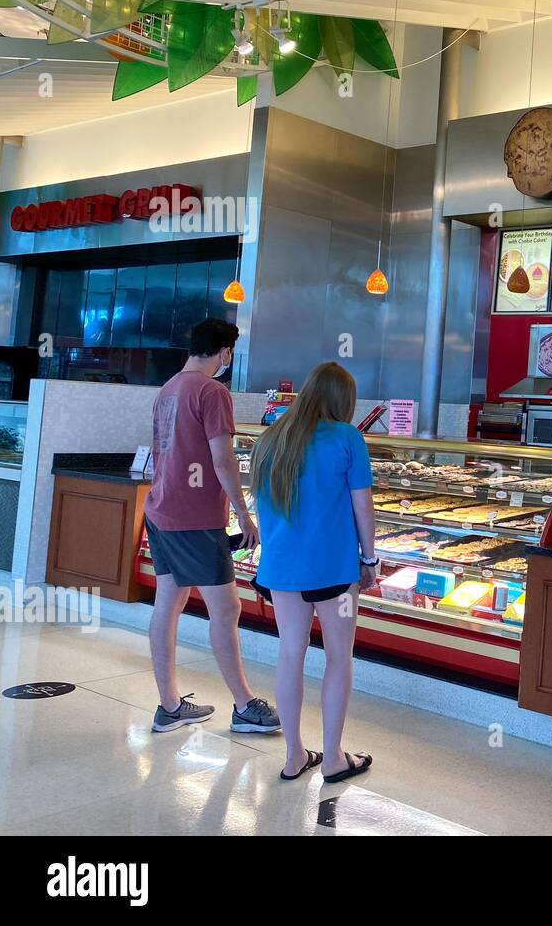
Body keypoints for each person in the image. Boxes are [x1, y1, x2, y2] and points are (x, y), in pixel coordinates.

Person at [145, 318, 281, 735]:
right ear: (225, 352)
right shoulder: (212, 390)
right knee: (226, 609)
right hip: (195, 517)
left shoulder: (169, 388)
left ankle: (169, 705)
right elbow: (223, 459)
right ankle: (244, 706)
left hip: (161, 509)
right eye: (230, 352)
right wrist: (243, 512)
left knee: (168, 601)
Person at [249, 362, 377, 783]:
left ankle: (293, 755)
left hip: (281, 570)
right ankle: (335, 757)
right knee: (339, 657)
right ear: (344, 400)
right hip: (335, 572)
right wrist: (370, 560)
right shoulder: (347, 438)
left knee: (290, 653)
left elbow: (263, 508)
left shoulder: (271, 438)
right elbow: (363, 506)